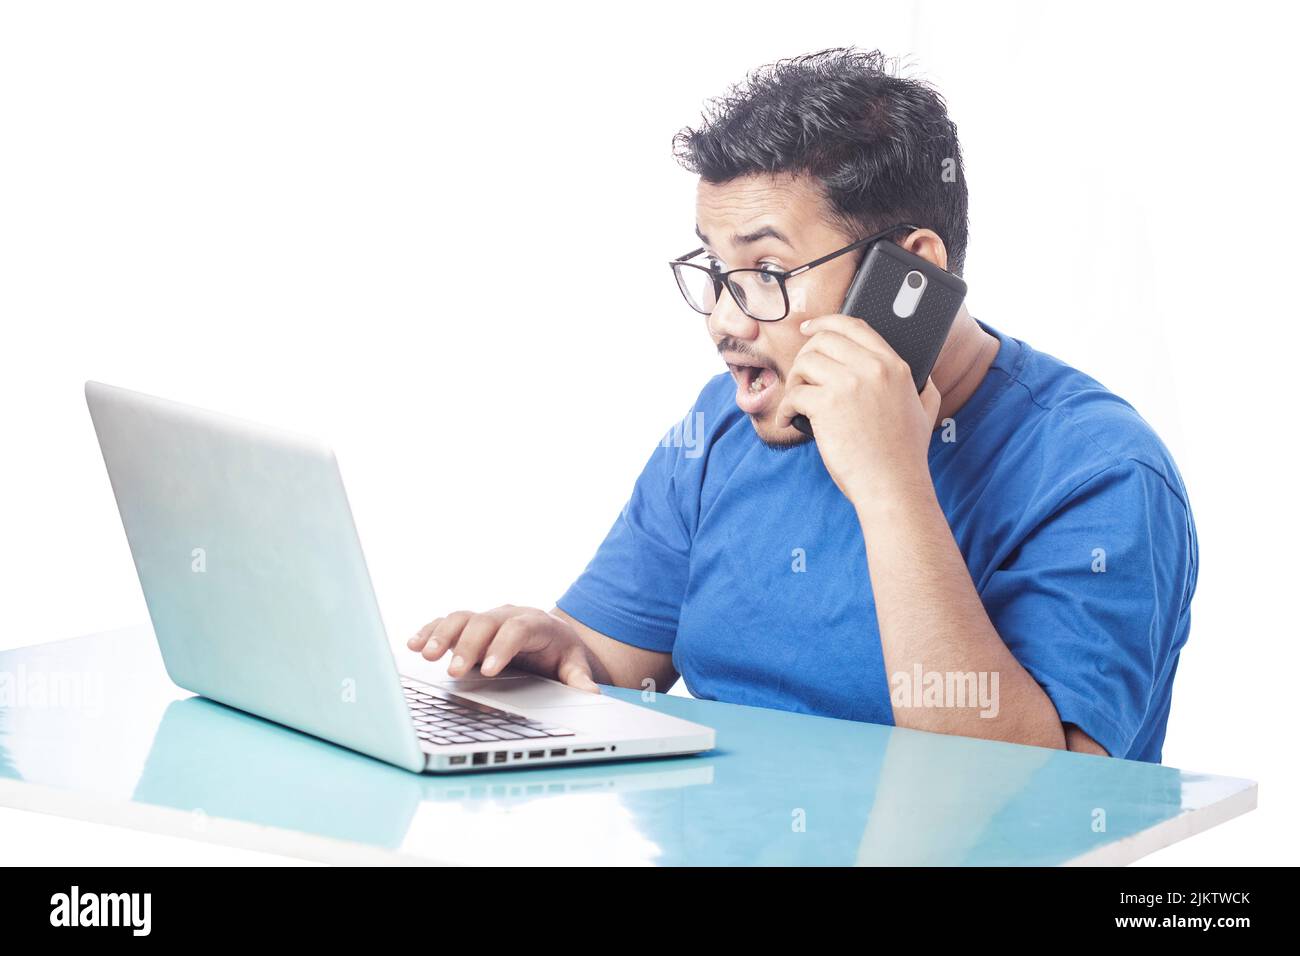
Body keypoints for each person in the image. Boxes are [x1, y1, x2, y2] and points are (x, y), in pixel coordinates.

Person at [407, 48, 1196, 763]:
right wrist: (556, 648)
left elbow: (1027, 801)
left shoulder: (1100, 472)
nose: (723, 320)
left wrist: (891, 484)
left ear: (910, 275)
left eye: (768, 273)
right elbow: (611, 666)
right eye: (716, 269)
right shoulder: (720, 427)